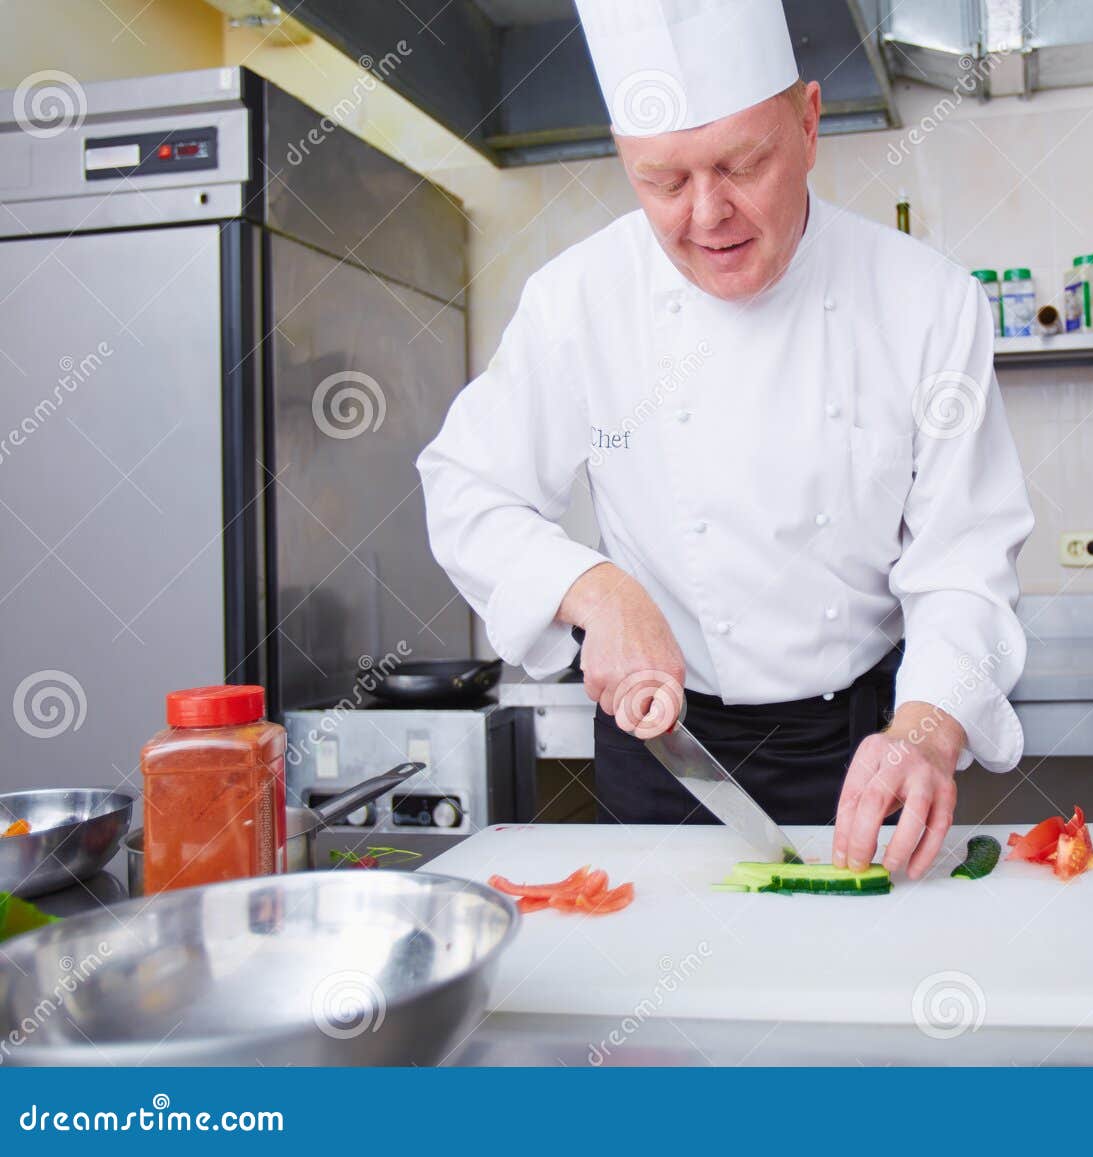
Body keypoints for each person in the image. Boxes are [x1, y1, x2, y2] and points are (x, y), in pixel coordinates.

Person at [417, 0, 1033, 879]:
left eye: (743, 164)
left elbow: (963, 559)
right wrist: (595, 590)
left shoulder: (926, 302)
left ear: (810, 123)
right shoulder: (580, 300)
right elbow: (467, 485)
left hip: (867, 740)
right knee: (665, 1002)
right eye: (663, 181)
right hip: (665, 746)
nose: (708, 214)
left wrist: (928, 729)